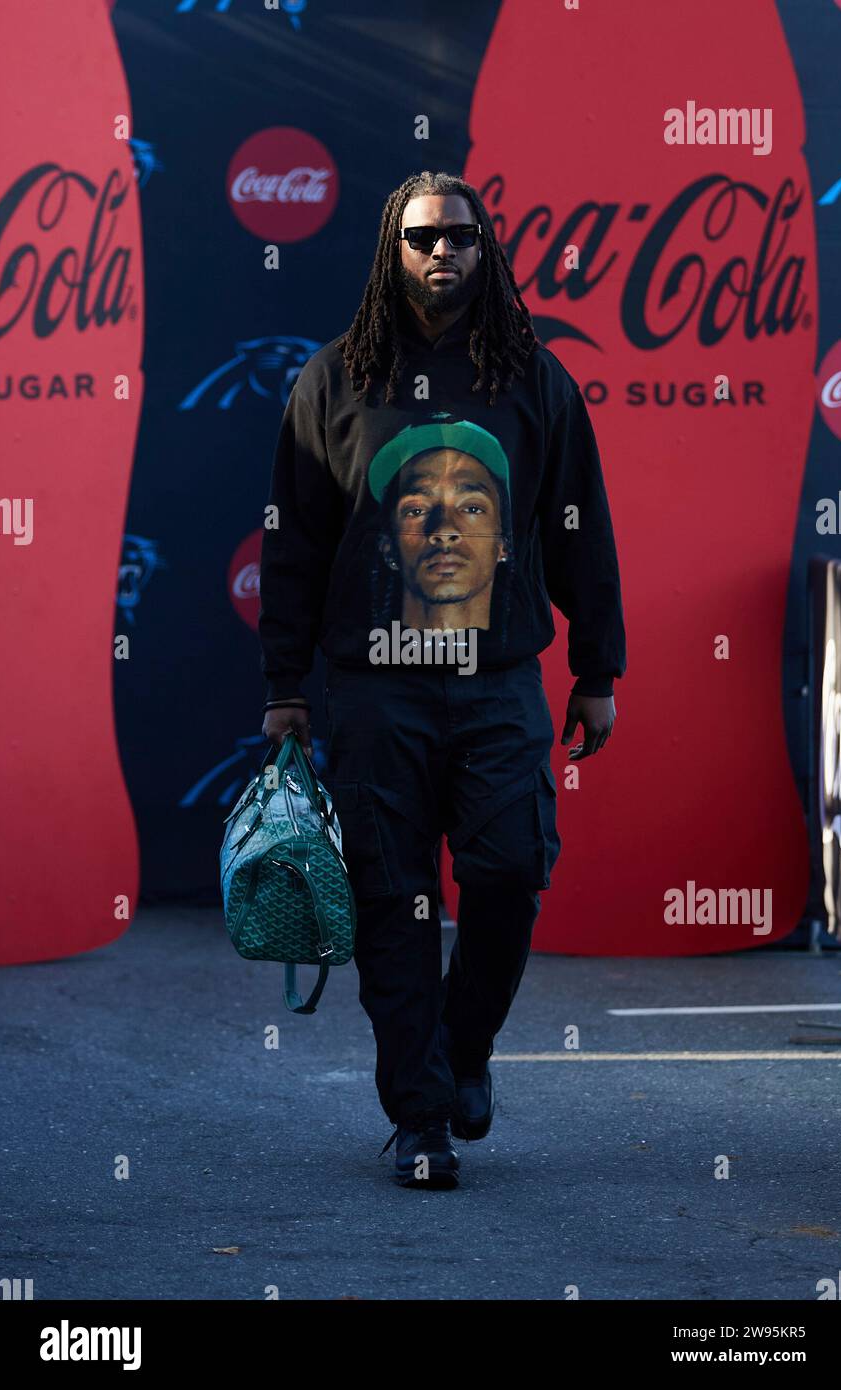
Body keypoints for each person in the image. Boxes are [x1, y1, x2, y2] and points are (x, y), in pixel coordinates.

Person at [258, 170, 626, 1189]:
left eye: (459, 238)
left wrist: (597, 666)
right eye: (421, 238)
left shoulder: (532, 379)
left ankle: (463, 1050)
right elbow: (291, 547)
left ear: (485, 249)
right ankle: (418, 1117)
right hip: (375, 689)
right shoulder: (333, 381)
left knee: (508, 870)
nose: (440, 254)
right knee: (393, 899)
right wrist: (283, 682)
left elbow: (578, 527)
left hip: (498, 678)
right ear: (392, 250)